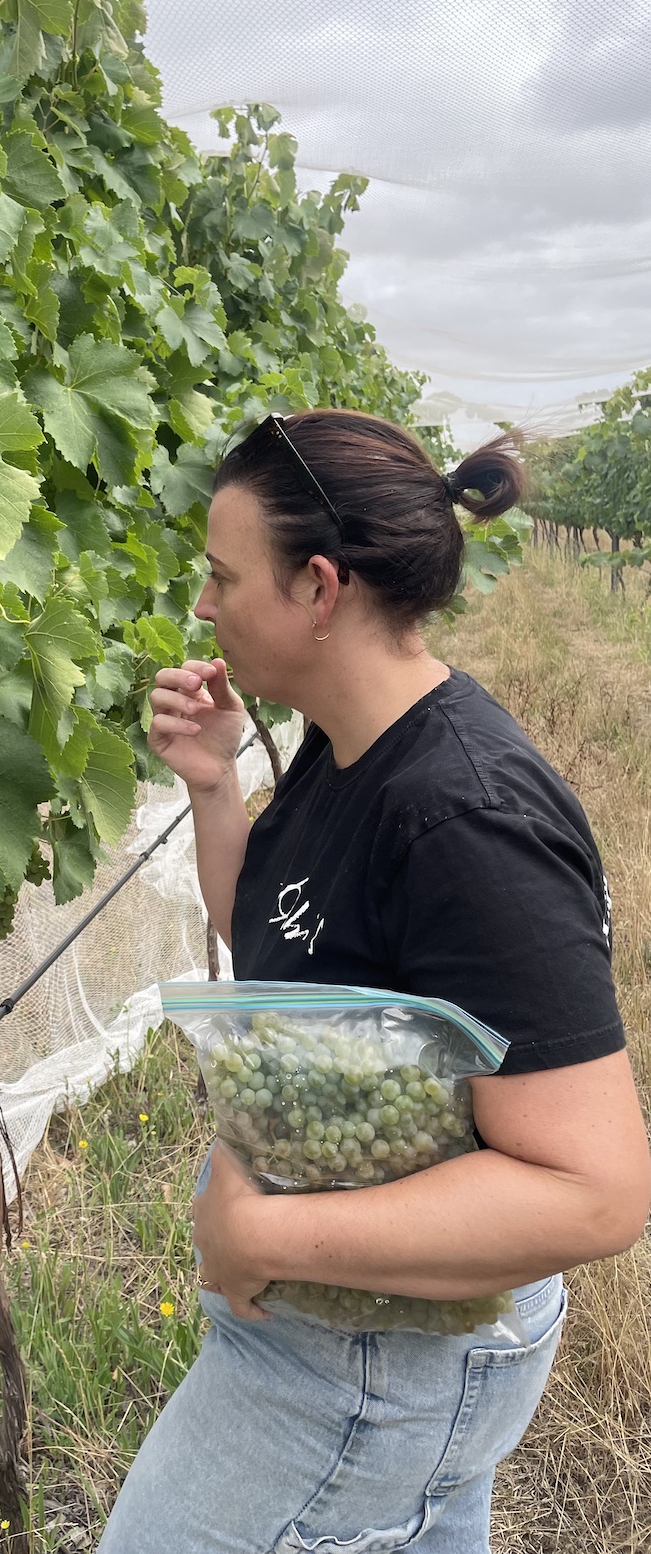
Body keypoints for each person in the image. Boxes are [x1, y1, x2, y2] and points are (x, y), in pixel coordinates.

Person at [97, 410, 651, 1554]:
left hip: (383, 1359)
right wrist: (213, 788)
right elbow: (284, 949)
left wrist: (266, 1239)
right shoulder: (345, 746)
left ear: (317, 586)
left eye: (220, 573)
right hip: (375, 1326)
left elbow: (599, 1192)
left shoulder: (464, 819)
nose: (202, 605)